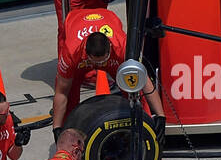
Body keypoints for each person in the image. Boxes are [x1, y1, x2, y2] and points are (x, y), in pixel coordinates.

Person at [52, 7, 166, 142]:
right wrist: (57, 127)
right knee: (70, 95)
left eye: (102, 61)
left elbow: (144, 82)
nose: (99, 66)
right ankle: (68, 144)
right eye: (94, 62)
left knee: (134, 88)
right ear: (86, 52)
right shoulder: (71, 51)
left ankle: (146, 137)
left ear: (110, 48)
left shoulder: (123, 45)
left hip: (108, 25)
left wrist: (160, 115)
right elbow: (61, 93)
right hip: (75, 23)